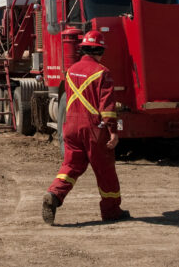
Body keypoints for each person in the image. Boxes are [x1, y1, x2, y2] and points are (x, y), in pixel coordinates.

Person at [42, 30, 130, 225]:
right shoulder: (102, 72)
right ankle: (111, 211)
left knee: (71, 165)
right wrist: (113, 131)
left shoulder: (71, 70)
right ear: (100, 50)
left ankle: (54, 195)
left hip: (71, 127)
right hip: (93, 129)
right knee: (105, 169)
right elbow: (106, 107)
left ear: (83, 49)